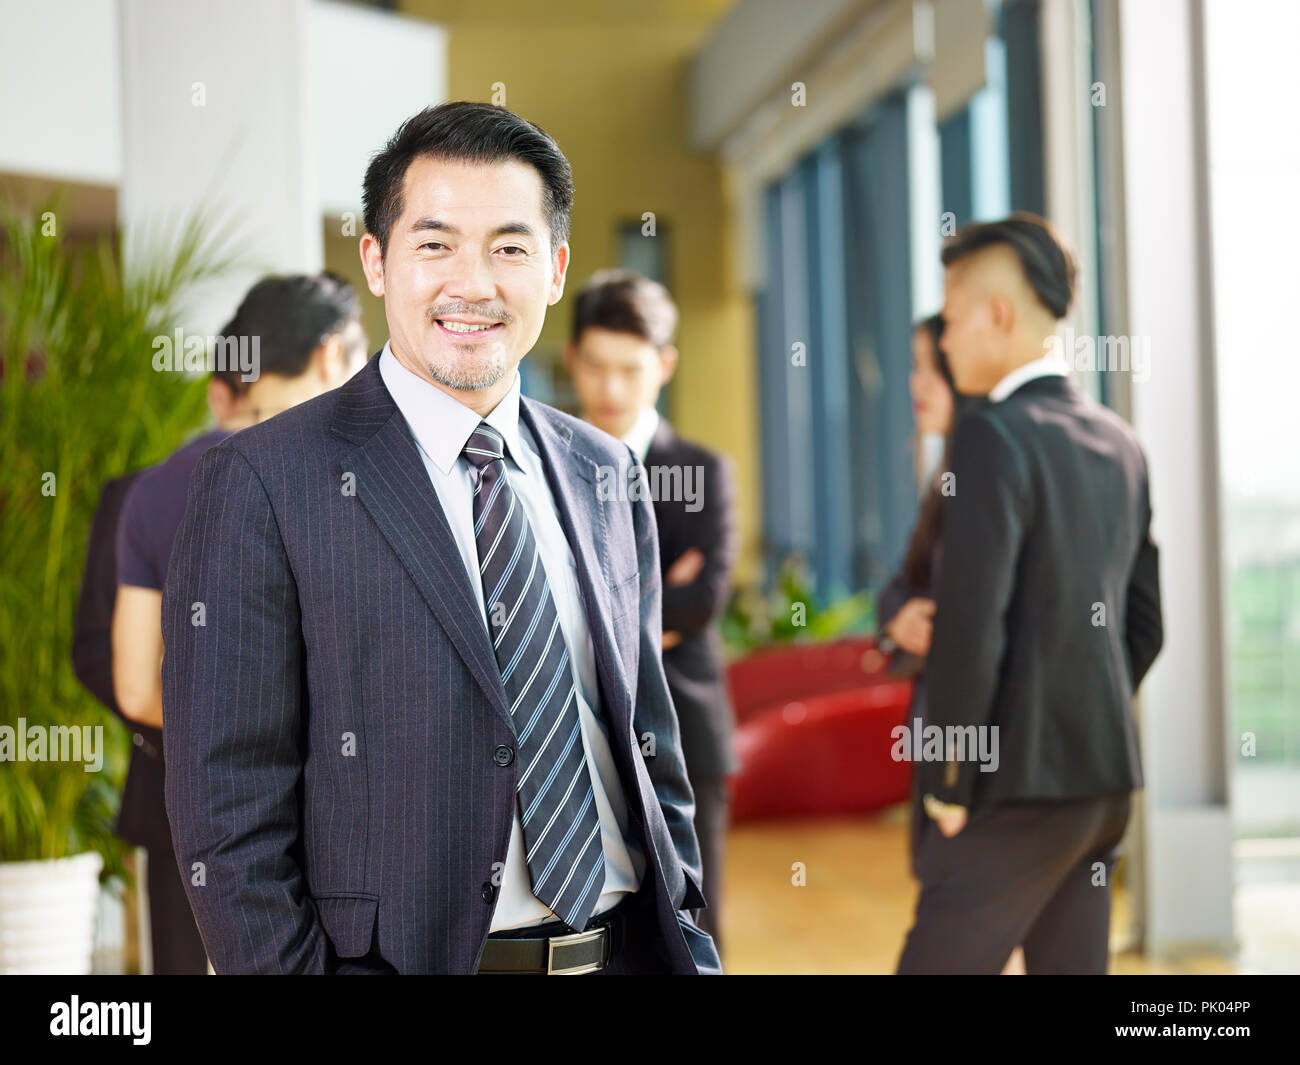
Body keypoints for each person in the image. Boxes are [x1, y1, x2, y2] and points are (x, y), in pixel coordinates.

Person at [161, 101, 721, 975]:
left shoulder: (604, 469)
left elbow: (650, 736)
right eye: (434, 244)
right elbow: (226, 798)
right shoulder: (267, 481)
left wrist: (689, 922)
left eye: (508, 247)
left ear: (556, 268)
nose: (473, 283)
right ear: (377, 263)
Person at [896, 213, 1164, 975]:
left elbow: (973, 628)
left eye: (950, 321)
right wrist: (1079, 714)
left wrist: (948, 780)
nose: (943, 343)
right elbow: (1145, 623)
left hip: (1010, 789)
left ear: (998, 316)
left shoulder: (992, 435)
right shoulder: (1120, 439)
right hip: (1103, 781)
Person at [108, 273, 366, 973]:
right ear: (330, 354)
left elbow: (135, 688)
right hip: (358, 841)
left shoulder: (161, 487)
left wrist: (235, 732)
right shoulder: (368, 473)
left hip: (211, 839)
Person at [564, 268, 739, 958]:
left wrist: (591, 610)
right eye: (595, 366)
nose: (609, 389)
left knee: (695, 919)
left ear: (663, 365)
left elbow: (704, 600)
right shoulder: (544, 463)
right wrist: (655, 592)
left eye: (629, 370)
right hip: (573, 729)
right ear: (572, 358)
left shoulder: (701, 469)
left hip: (685, 728)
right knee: (596, 923)